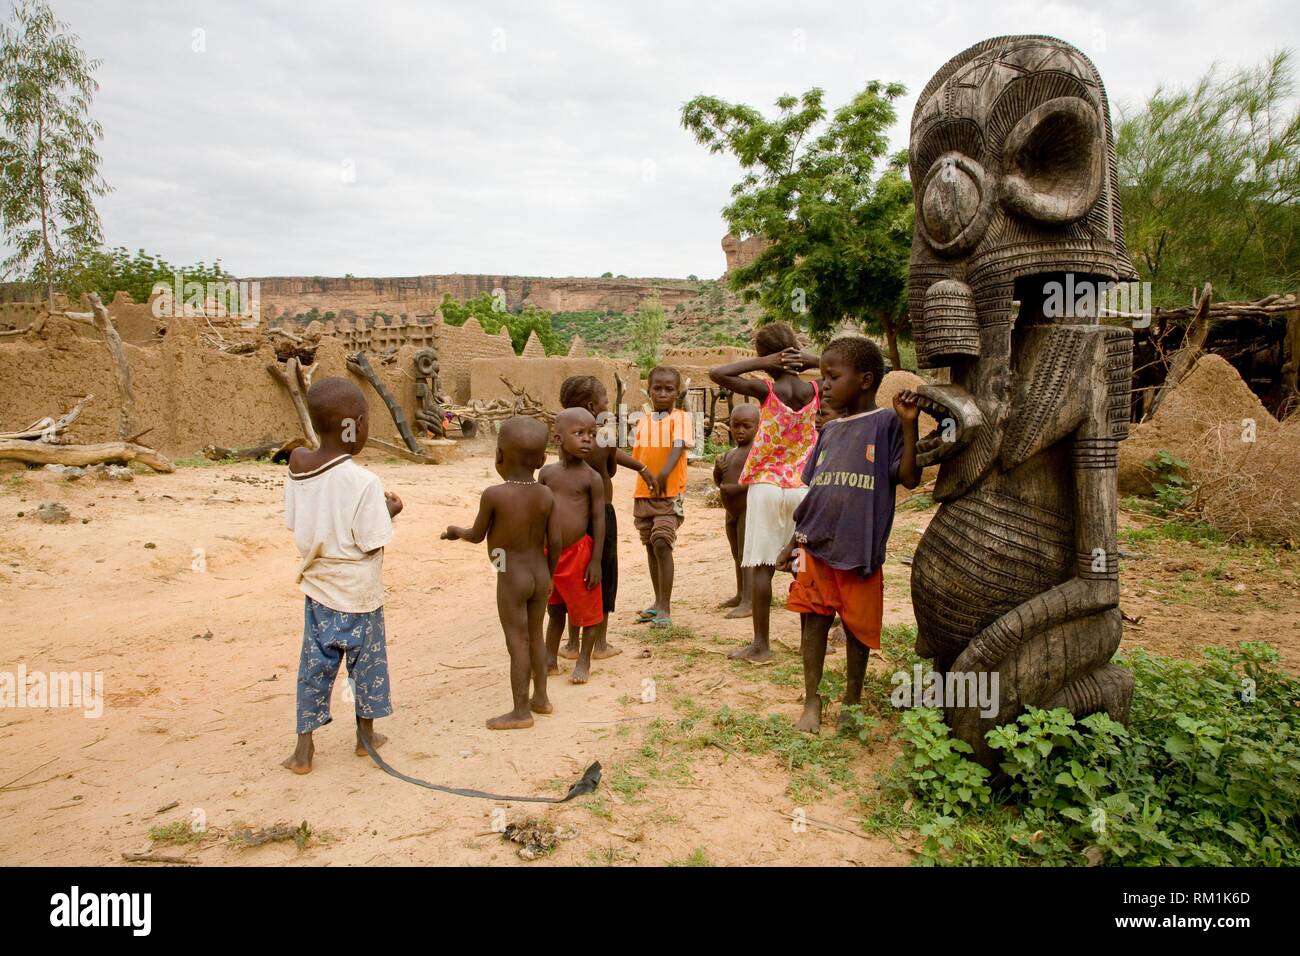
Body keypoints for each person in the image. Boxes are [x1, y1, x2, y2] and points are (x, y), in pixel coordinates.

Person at [775, 336, 921, 733]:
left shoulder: (887, 423)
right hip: (815, 546)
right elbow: (815, 493)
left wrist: (909, 426)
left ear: (865, 380)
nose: (823, 384)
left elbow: (908, 477)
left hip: (860, 551)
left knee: (858, 631)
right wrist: (792, 542)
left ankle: (852, 702)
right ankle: (812, 699)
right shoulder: (830, 430)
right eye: (822, 376)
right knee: (812, 622)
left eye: (833, 376)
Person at [282, 378, 403, 774]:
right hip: (359, 597)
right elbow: (369, 542)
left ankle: (304, 750)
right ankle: (365, 739)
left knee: (314, 668)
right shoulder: (364, 481)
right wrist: (390, 511)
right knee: (365, 667)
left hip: (318, 591)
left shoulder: (297, 469)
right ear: (356, 425)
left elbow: (298, 523)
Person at [709, 322, 820, 661]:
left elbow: (717, 372)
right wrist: (804, 359)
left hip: (767, 486)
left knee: (761, 567)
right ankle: (807, 644)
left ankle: (760, 646)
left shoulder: (766, 392)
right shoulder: (816, 390)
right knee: (802, 564)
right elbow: (834, 363)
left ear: (766, 357)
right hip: (804, 487)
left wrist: (765, 363)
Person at [442, 416, 560, 729]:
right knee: (535, 637)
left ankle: (521, 712)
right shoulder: (546, 495)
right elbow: (556, 542)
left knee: (516, 642)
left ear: (498, 456)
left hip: (511, 575)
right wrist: (550, 576)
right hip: (539, 575)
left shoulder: (494, 495)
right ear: (542, 460)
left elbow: (478, 534)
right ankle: (542, 698)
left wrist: (456, 531)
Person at [555, 375, 648, 662]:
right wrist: (640, 468)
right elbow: (611, 467)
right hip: (601, 513)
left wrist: (641, 467)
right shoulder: (604, 435)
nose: (608, 403)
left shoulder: (565, 436)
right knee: (603, 574)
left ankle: (571, 644)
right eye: (606, 399)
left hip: (571, 515)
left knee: (574, 576)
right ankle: (601, 643)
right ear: (592, 405)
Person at [539, 407, 605, 684]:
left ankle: (584, 661)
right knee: (554, 610)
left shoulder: (592, 478)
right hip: (548, 555)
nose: (588, 439)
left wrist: (596, 561)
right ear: (558, 439)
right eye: (579, 433)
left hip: (579, 553)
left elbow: (599, 520)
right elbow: (537, 512)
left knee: (587, 613)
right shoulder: (547, 474)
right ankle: (550, 659)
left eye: (592, 434)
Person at [632, 365, 693, 628]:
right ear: (649, 391)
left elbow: (678, 446)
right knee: (649, 545)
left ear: (677, 392)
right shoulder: (643, 422)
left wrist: (664, 474)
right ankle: (657, 602)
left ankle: (665, 608)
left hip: (669, 494)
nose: (663, 393)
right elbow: (639, 459)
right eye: (657, 388)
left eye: (669, 389)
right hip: (643, 494)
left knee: (661, 542)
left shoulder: (681, 418)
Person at [713, 403, 760, 618]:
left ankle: (750, 601)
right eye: (735, 426)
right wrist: (717, 471)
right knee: (736, 554)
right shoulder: (731, 454)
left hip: (747, 509)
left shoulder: (757, 454)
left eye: (746, 426)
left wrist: (734, 488)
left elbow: (760, 482)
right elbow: (719, 482)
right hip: (730, 511)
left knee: (746, 554)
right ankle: (741, 593)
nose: (740, 430)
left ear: (757, 428)